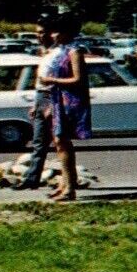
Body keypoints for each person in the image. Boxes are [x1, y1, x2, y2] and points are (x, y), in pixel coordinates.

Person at [38, 12, 91, 201]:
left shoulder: (74, 51)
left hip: (71, 102)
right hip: (59, 100)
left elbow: (79, 79)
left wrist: (51, 80)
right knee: (59, 142)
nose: (52, 35)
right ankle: (65, 184)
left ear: (67, 32)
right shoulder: (62, 50)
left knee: (62, 142)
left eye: (56, 32)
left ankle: (70, 188)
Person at [17, 15, 58, 190]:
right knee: (39, 142)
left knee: (59, 143)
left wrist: (52, 105)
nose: (38, 36)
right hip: (41, 97)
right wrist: (36, 104)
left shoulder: (58, 54)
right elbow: (40, 81)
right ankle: (32, 179)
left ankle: (67, 181)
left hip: (52, 98)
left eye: (42, 32)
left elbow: (58, 81)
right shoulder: (45, 53)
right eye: (37, 33)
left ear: (51, 33)